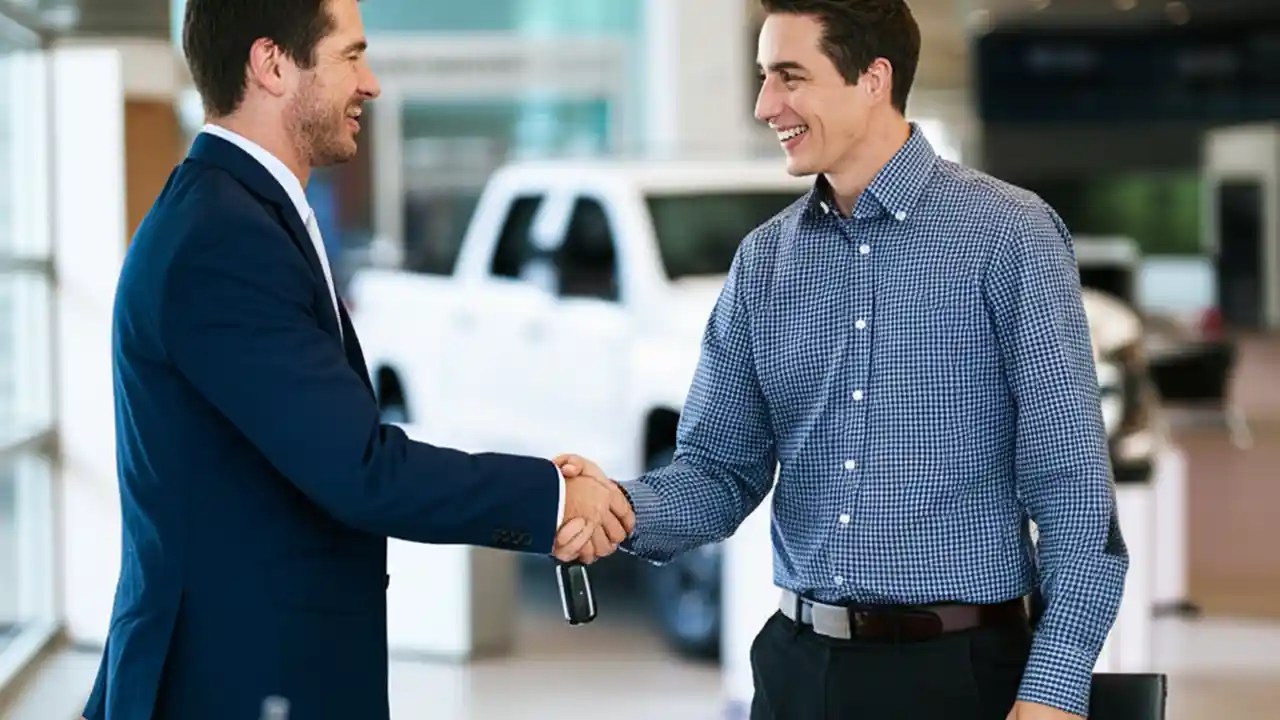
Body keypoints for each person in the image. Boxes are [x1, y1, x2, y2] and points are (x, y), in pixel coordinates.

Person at [556, 1, 1127, 719]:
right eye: (764, 77)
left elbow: (1071, 487)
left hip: (961, 676)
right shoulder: (764, 262)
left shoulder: (1010, 237)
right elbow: (718, 471)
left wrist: (1055, 688)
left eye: (790, 76)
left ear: (874, 79)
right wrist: (620, 508)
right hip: (800, 672)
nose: (766, 105)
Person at [81, 1, 628, 718]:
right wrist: (551, 498)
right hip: (231, 682)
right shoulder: (223, 238)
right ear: (272, 65)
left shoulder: (241, 216)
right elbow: (359, 469)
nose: (370, 83)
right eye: (350, 56)